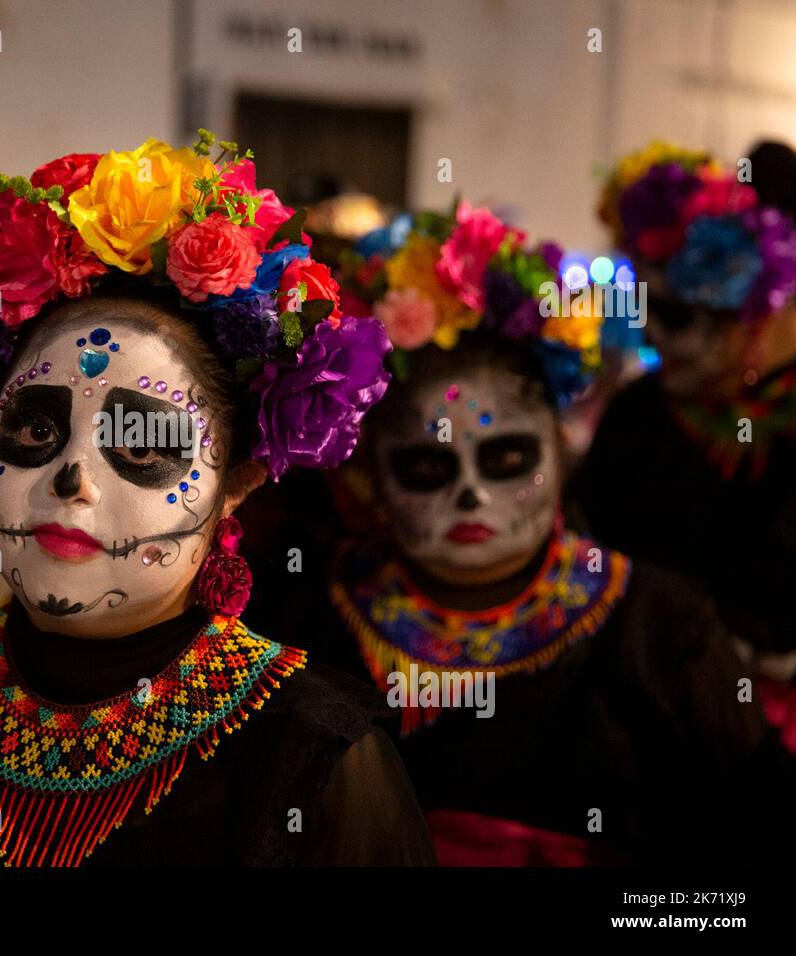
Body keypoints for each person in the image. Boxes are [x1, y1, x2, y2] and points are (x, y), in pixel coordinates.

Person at [0, 133, 434, 866]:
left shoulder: (312, 753)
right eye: (36, 426)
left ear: (238, 483)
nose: (73, 479)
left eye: (139, 441)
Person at [320, 203, 796, 864]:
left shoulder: (659, 626)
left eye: (506, 458)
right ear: (371, 469)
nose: (471, 494)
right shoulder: (313, 620)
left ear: (561, 448)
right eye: (427, 465)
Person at [573, 143, 796, 753]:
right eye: (646, 310)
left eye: (674, 315)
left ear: (759, 315)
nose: (649, 335)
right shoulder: (639, 415)